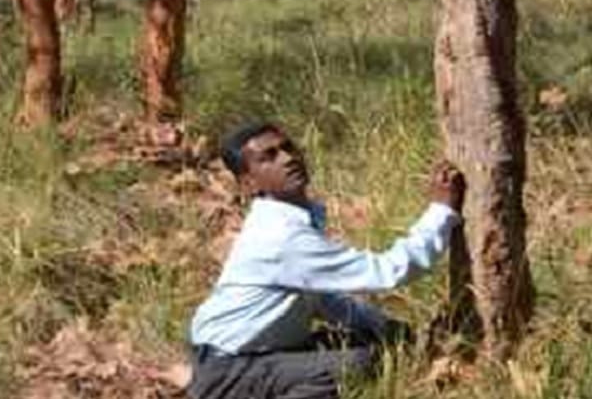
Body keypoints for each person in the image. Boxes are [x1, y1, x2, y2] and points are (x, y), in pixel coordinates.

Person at [188, 121, 464, 399]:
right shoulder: (281, 235)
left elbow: (324, 300)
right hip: (228, 371)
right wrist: (440, 211)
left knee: (379, 343)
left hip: (250, 356)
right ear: (249, 184)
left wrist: (386, 327)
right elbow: (388, 272)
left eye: (287, 147)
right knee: (358, 364)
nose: (288, 158)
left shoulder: (290, 221)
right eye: (268, 157)